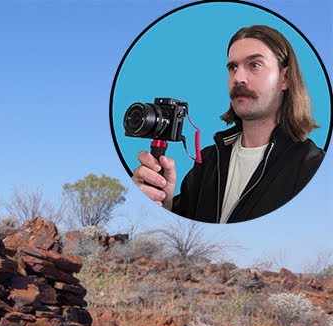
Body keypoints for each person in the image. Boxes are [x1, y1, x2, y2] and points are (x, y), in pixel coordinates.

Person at [132, 25, 324, 223]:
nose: (238, 78)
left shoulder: (313, 168)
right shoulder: (207, 160)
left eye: (254, 65)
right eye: (233, 67)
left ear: (285, 78)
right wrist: (165, 206)